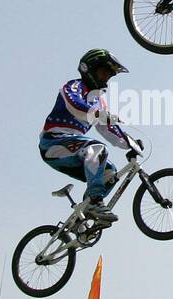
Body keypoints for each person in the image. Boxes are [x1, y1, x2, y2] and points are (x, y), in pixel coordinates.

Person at [39, 50, 135, 223]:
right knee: (97, 149)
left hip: (73, 148)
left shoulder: (99, 100)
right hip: (53, 143)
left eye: (109, 75)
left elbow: (108, 129)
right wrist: (99, 114)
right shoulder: (74, 86)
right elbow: (76, 105)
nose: (106, 78)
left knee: (110, 172)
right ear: (89, 68)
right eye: (104, 72)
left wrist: (129, 142)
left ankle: (82, 217)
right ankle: (95, 201)